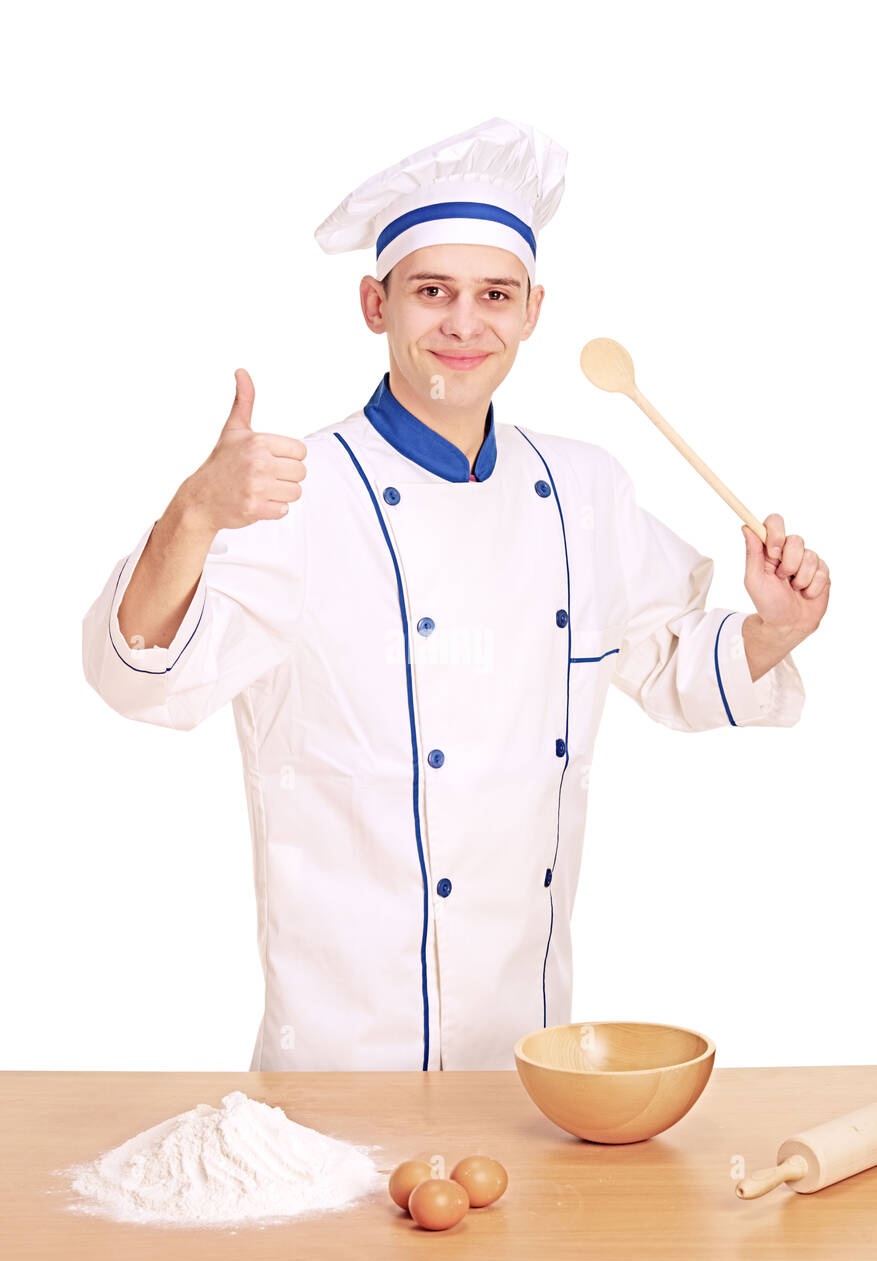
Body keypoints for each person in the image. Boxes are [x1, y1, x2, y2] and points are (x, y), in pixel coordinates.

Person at [82, 118, 830, 1072]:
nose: (464, 324)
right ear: (374, 303)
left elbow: (679, 662)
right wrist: (190, 515)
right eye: (432, 292)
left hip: (534, 1049)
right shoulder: (289, 486)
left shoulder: (586, 488)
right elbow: (137, 676)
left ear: (533, 312)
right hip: (340, 1056)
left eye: (494, 295)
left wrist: (775, 627)